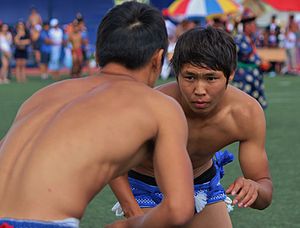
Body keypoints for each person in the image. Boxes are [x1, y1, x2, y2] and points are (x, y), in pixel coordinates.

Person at [0, 2, 195, 228]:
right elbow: (179, 209)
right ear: (157, 58)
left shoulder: (43, 95)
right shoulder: (160, 106)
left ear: (97, 52)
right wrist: (127, 225)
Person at [110, 26, 273, 227]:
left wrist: (255, 188)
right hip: (145, 187)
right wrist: (133, 214)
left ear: (230, 75)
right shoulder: (152, 107)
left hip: (203, 185)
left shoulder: (246, 113)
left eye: (210, 78)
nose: (199, 90)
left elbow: (264, 187)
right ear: (176, 72)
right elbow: (112, 161)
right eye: (190, 77)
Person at [231, 8, 269, 109]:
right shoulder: (239, 38)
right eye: (251, 24)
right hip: (244, 76)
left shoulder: (252, 38)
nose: (254, 26)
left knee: (255, 104)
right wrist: (259, 62)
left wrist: (261, 62)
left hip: (255, 74)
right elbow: (246, 54)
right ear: (246, 26)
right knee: (244, 103)